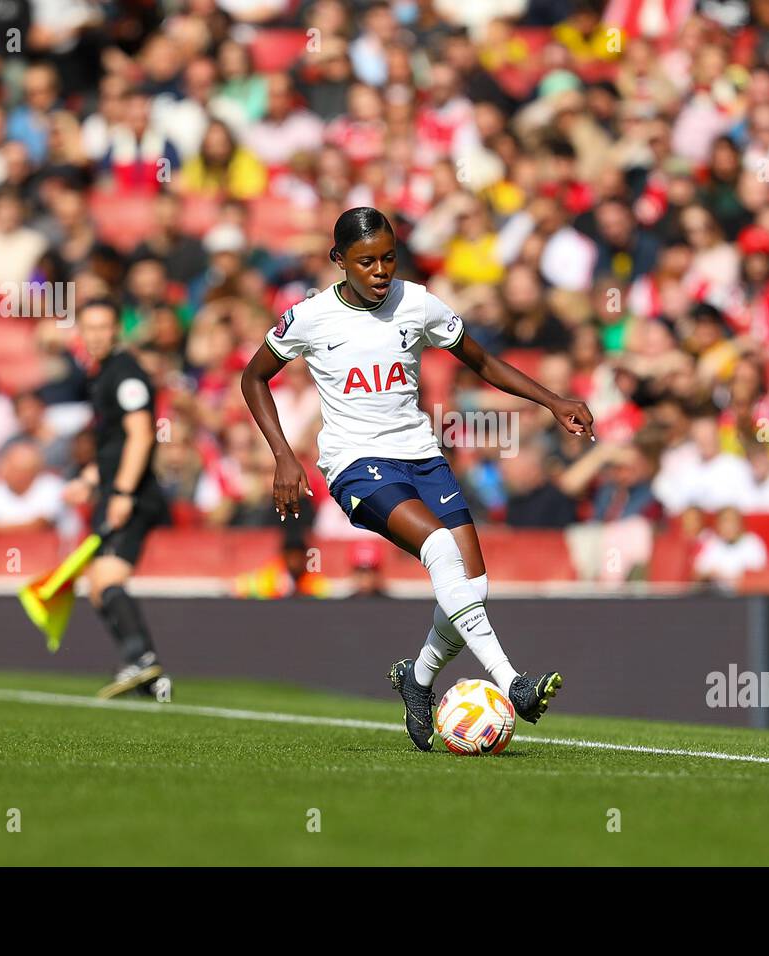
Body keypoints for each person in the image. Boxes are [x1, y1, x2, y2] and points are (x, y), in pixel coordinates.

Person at [241, 207, 594, 751]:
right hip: (355, 463)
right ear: (339, 261)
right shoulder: (310, 317)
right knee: (439, 549)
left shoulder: (418, 302)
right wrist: (284, 456)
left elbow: (481, 361)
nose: (380, 270)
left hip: (422, 456)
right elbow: (253, 377)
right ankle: (512, 682)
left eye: (388, 258)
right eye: (366, 262)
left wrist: (552, 401)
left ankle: (418, 678)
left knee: (473, 585)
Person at [61, 300, 173, 701]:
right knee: (97, 586)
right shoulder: (102, 374)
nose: (95, 336)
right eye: (88, 328)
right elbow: (115, 443)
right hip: (114, 487)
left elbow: (141, 435)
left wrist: (123, 492)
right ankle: (150, 680)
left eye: (103, 327)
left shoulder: (125, 373)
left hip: (133, 493)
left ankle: (142, 660)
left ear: (115, 331)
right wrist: (90, 479)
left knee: (107, 579)